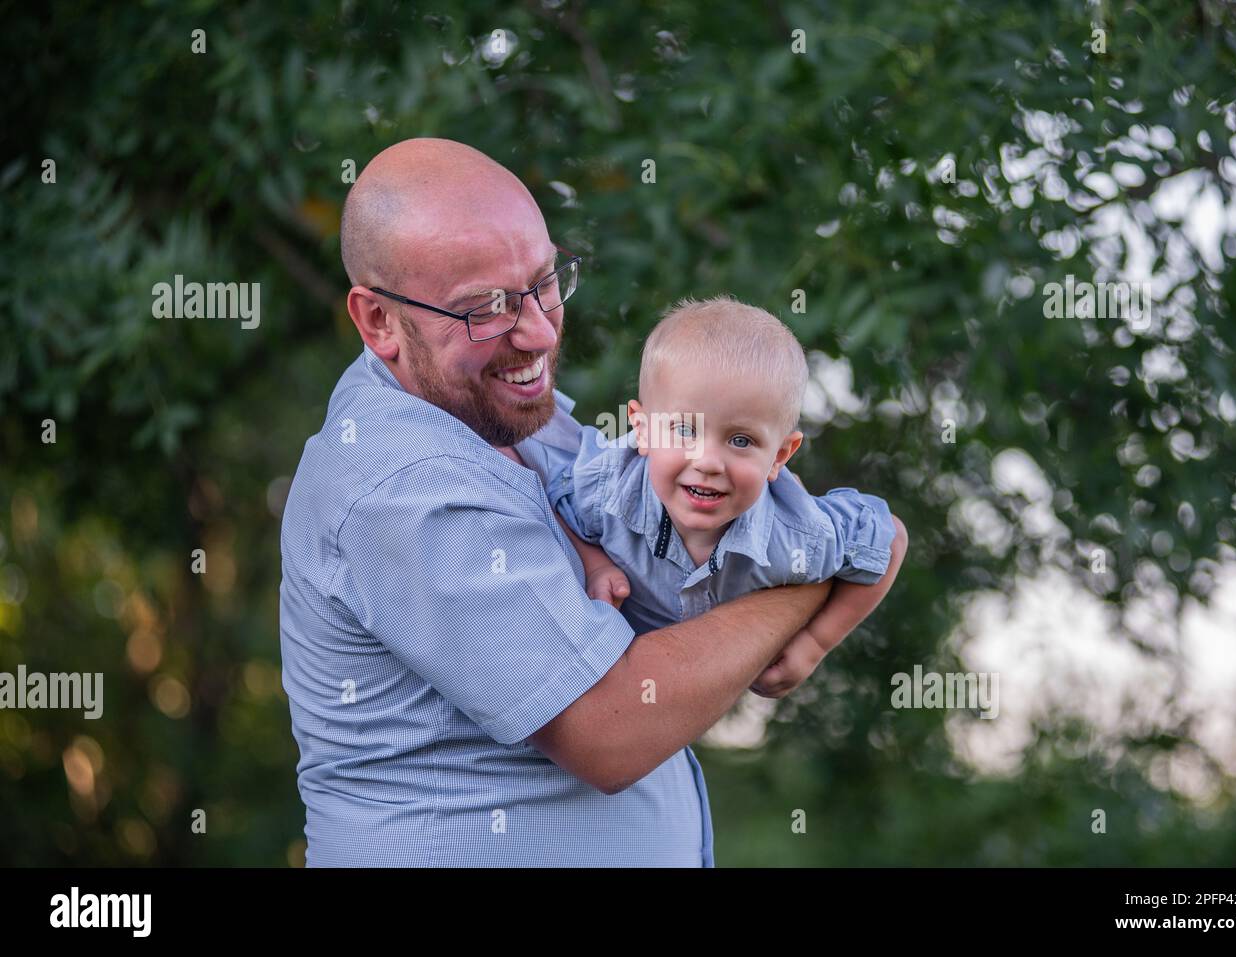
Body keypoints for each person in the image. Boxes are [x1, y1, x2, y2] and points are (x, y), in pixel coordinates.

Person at [278, 137, 907, 866]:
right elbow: (611, 726)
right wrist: (808, 583)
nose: (540, 332)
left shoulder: (506, 413)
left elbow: (619, 524)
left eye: (545, 283)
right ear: (379, 320)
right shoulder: (399, 482)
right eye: (485, 308)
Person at [517, 295, 904, 697]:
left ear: (780, 456)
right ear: (643, 429)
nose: (708, 462)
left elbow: (889, 538)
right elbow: (549, 498)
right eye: (685, 430)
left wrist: (815, 644)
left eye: (741, 440)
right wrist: (595, 564)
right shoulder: (608, 488)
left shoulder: (798, 535)